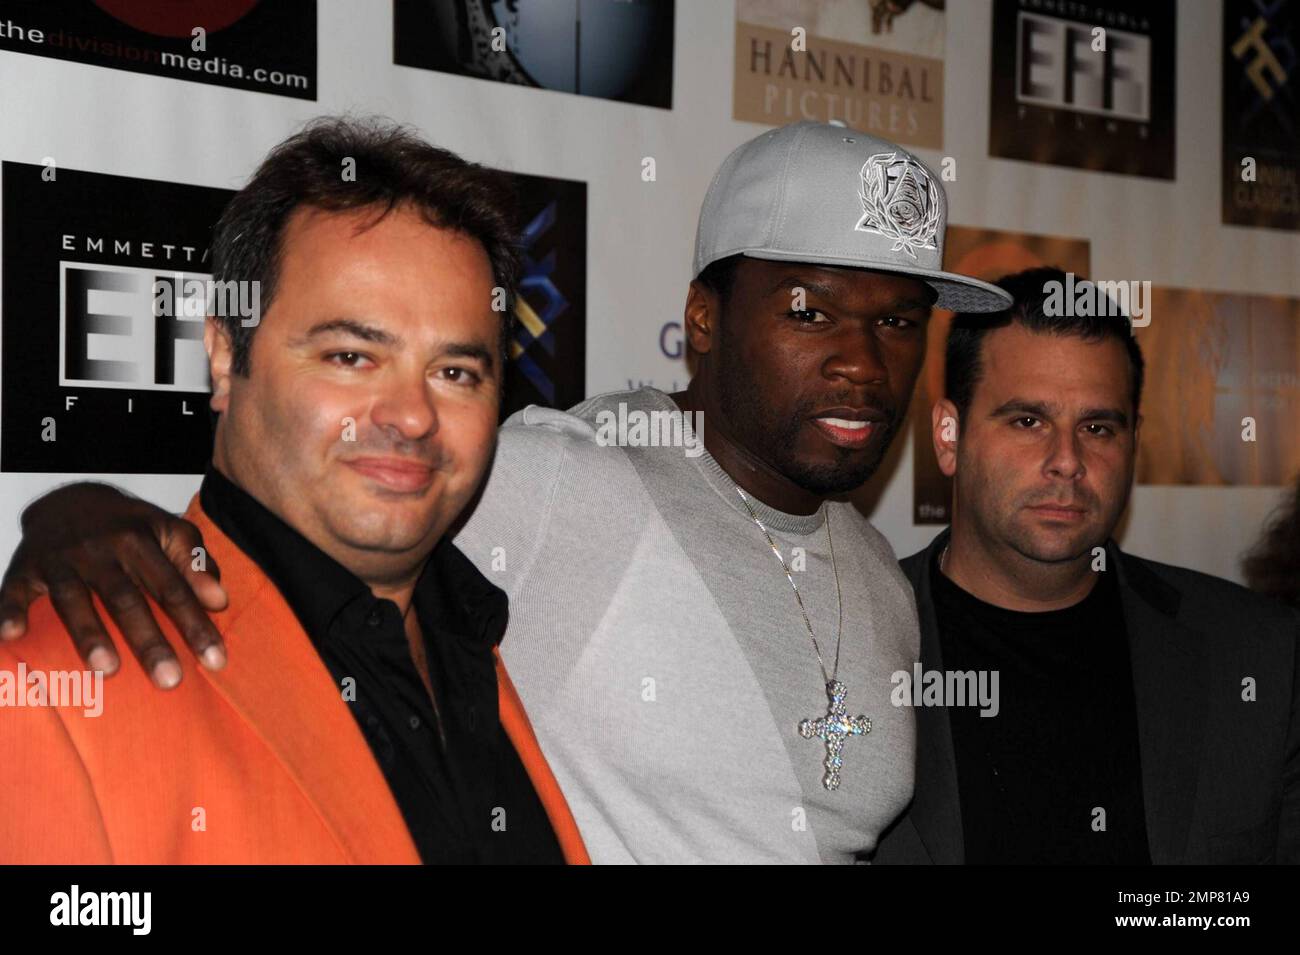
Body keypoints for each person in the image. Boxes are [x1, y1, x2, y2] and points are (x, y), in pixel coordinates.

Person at [1, 121, 1011, 862]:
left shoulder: (874, 571)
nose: (861, 363)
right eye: (811, 308)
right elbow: (293, 524)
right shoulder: (566, 480)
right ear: (702, 316)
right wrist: (74, 511)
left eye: (457, 371)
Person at [0, 118, 587, 864]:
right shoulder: (53, 686)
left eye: (455, 372)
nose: (412, 414)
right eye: (350, 355)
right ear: (223, 354)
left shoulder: (492, 651)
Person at [871, 268, 1300, 864]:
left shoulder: (1259, 655)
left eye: (1097, 427)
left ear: (1133, 444)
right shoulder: (851, 640)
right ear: (948, 435)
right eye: (1028, 421)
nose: (1067, 462)